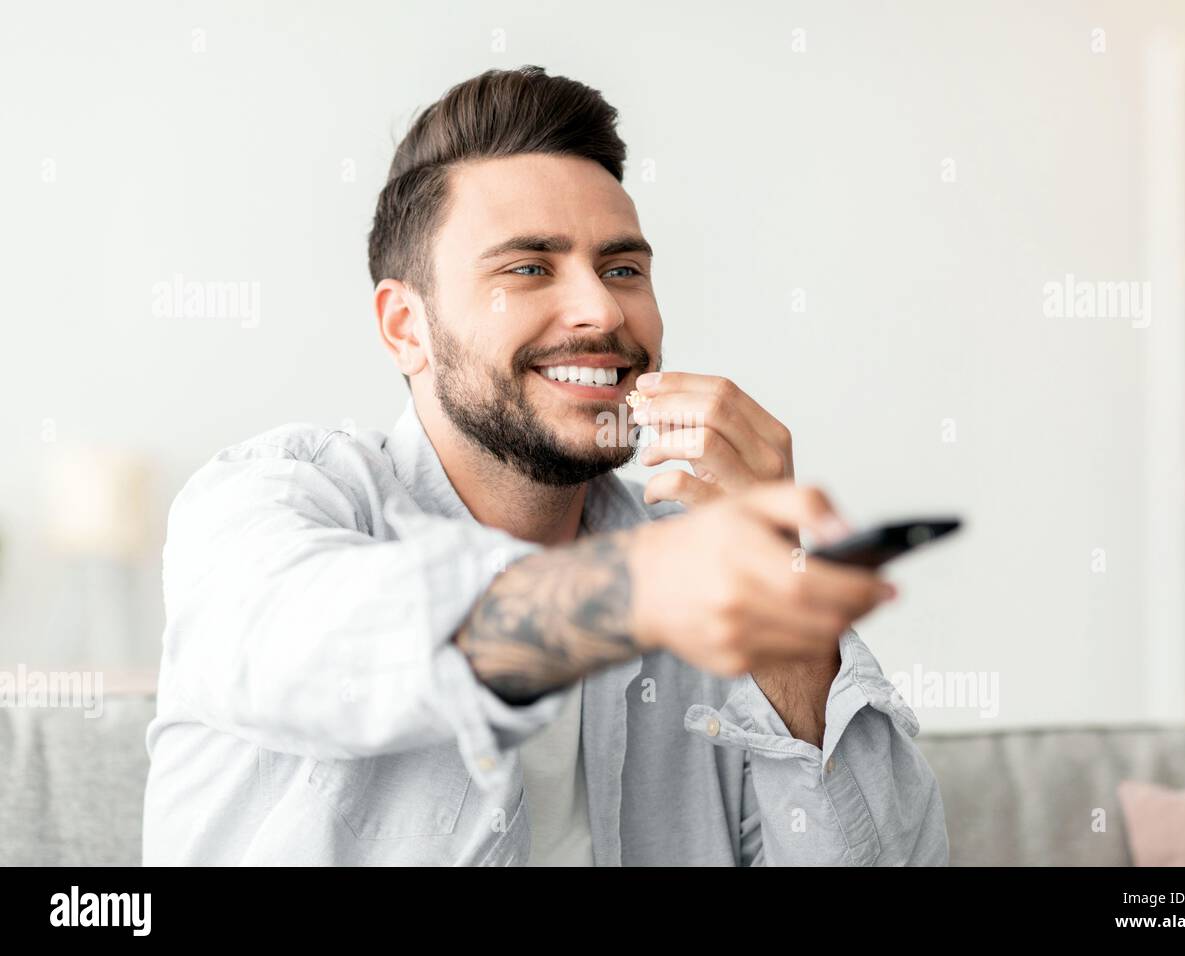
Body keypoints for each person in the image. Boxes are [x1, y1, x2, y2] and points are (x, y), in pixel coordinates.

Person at [142, 65, 948, 866]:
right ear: (404, 328)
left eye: (623, 268)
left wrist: (790, 623)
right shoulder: (269, 502)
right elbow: (312, 644)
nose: (602, 309)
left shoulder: (700, 567)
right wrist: (635, 594)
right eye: (529, 268)